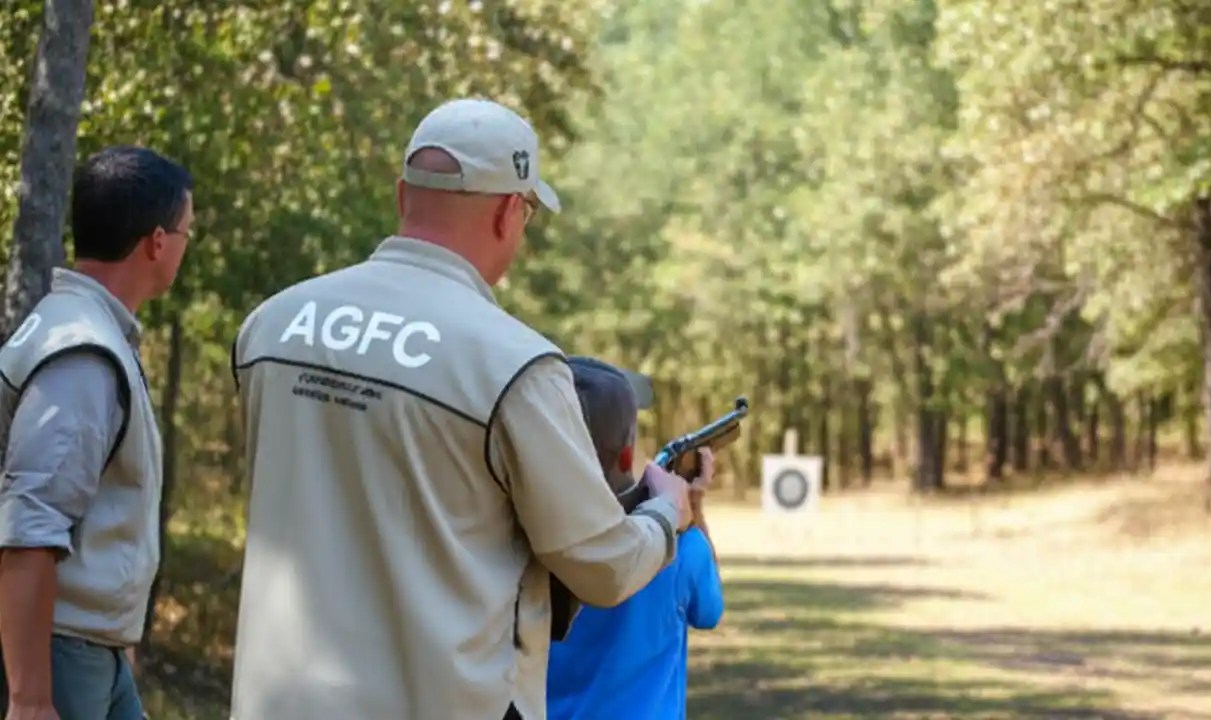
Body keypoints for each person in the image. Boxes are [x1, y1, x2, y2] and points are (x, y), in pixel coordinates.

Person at [228, 97, 692, 720]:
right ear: (508, 212)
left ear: (402, 196)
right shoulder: (514, 366)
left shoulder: (271, 326)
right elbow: (602, 568)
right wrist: (668, 511)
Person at [0, 145, 195, 720]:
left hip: (90, 648)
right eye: (187, 232)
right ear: (157, 241)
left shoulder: (83, 331)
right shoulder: (82, 354)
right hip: (58, 651)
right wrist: (30, 698)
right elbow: (31, 523)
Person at [546, 357, 724, 720]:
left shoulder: (526, 537)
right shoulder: (682, 548)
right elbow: (709, 612)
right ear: (627, 454)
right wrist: (692, 505)